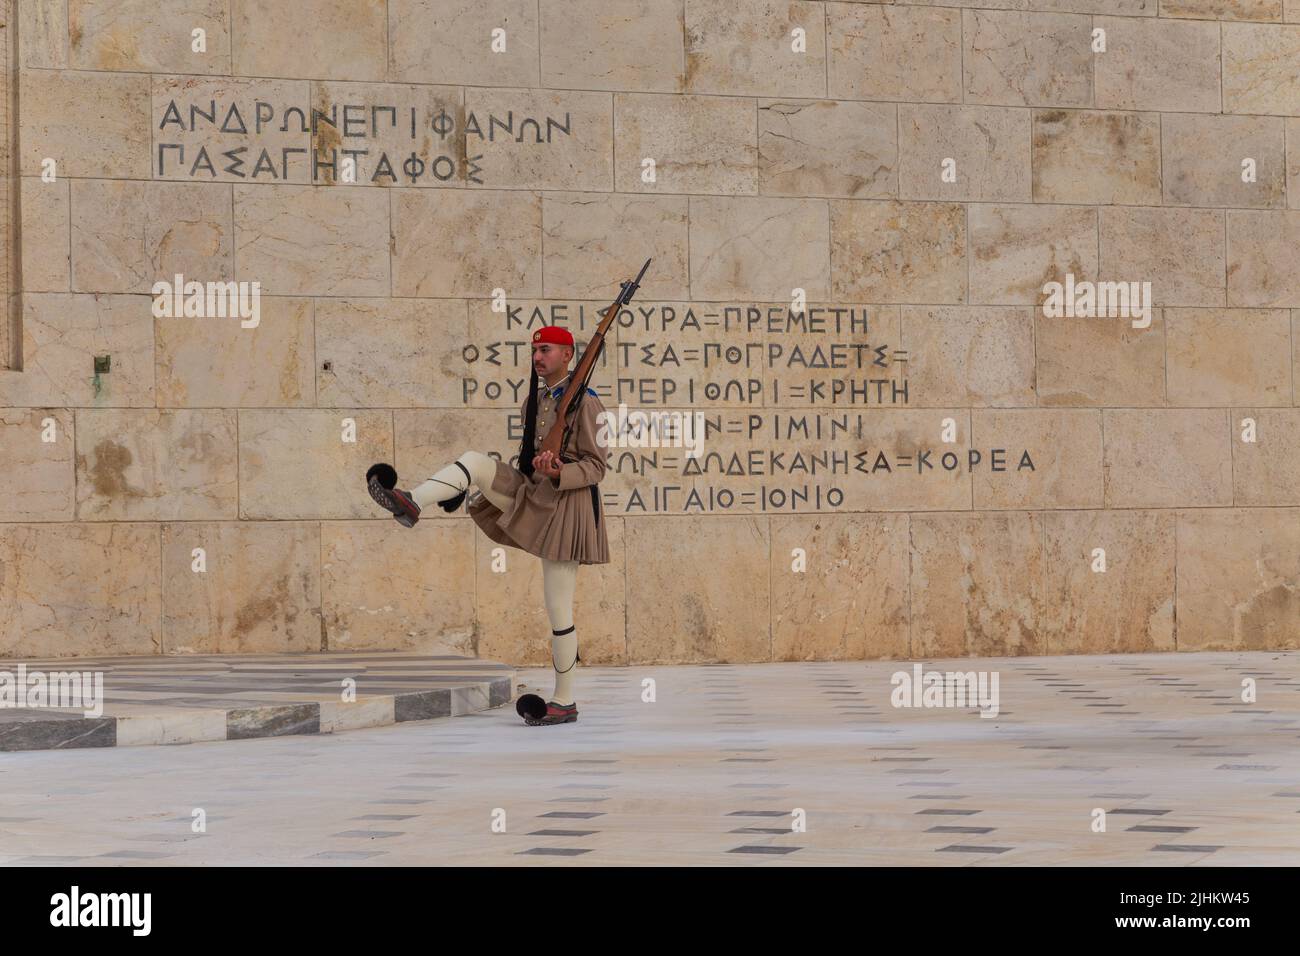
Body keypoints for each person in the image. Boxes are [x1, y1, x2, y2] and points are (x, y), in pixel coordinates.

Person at [366, 325, 609, 726]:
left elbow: (597, 467)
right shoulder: (534, 401)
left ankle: (564, 701)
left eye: (546, 350)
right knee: (476, 463)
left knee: (558, 609)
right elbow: (528, 458)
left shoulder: (588, 404)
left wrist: (560, 470)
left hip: (567, 508)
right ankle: (411, 501)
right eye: (535, 351)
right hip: (535, 492)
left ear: (568, 356)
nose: (538, 357)